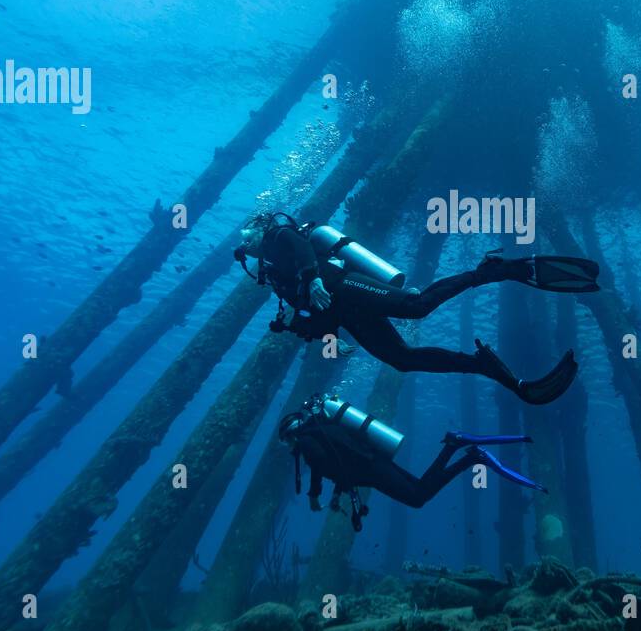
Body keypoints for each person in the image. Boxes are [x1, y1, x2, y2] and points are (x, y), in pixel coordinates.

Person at [234, 211, 600, 405]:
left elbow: (301, 251)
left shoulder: (279, 236)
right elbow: (313, 315)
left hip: (342, 283)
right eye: (243, 240)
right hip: (348, 312)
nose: (244, 242)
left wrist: (313, 277)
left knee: (417, 306)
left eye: (245, 234)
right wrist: (326, 335)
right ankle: (482, 366)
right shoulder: (272, 274)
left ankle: (493, 271)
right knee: (403, 360)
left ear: (259, 227)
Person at [279, 394, 543, 532]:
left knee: (417, 497)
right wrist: (337, 494)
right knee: (419, 490)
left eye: (287, 443)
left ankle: (461, 451)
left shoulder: (306, 440)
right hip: (374, 463)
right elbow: (339, 460)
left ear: (290, 434)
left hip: (372, 469)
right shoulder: (321, 429)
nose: (290, 448)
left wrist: (315, 496)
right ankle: (464, 452)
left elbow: (320, 463)